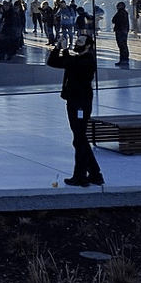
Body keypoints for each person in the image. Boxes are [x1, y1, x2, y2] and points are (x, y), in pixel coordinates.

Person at [47, 33, 103, 187]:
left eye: (80, 41)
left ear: (88, 46)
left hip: (81, 103)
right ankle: (94, 173)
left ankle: (81, 176)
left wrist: (64, 51)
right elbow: (53, 62)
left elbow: (68, 62)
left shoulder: (87, 61)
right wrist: (57, 48)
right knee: (80, 138)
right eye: (77, 40)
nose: (77, 42)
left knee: (79, 139)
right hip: (73, 100)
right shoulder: (77, 59)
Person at [111, 2, 130, 67]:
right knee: (123, 45)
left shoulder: (120, 13)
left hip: (120, 30)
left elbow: (114, 20)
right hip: (123, 30)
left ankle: (123, 60)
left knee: (122, 45)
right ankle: (124, 60)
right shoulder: (124, 13)